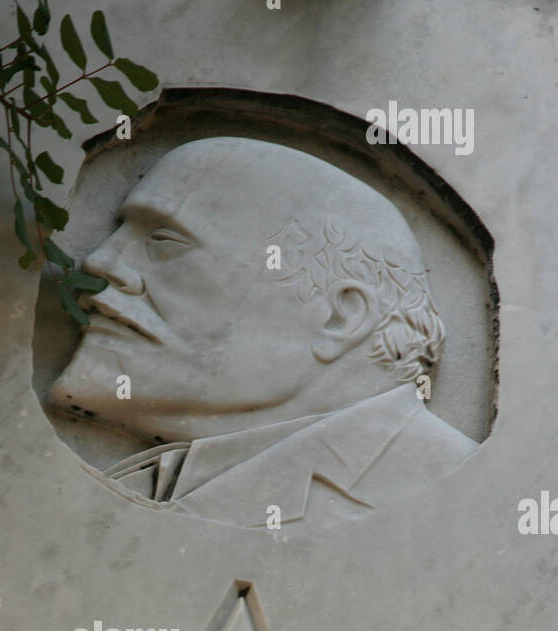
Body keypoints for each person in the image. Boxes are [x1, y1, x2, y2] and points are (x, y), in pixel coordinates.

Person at [48, 137, 478, 528]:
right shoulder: (156, 476)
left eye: (164, 241)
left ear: (340, 319)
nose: (99, 263)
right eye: (121, 233)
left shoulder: (457, 501)